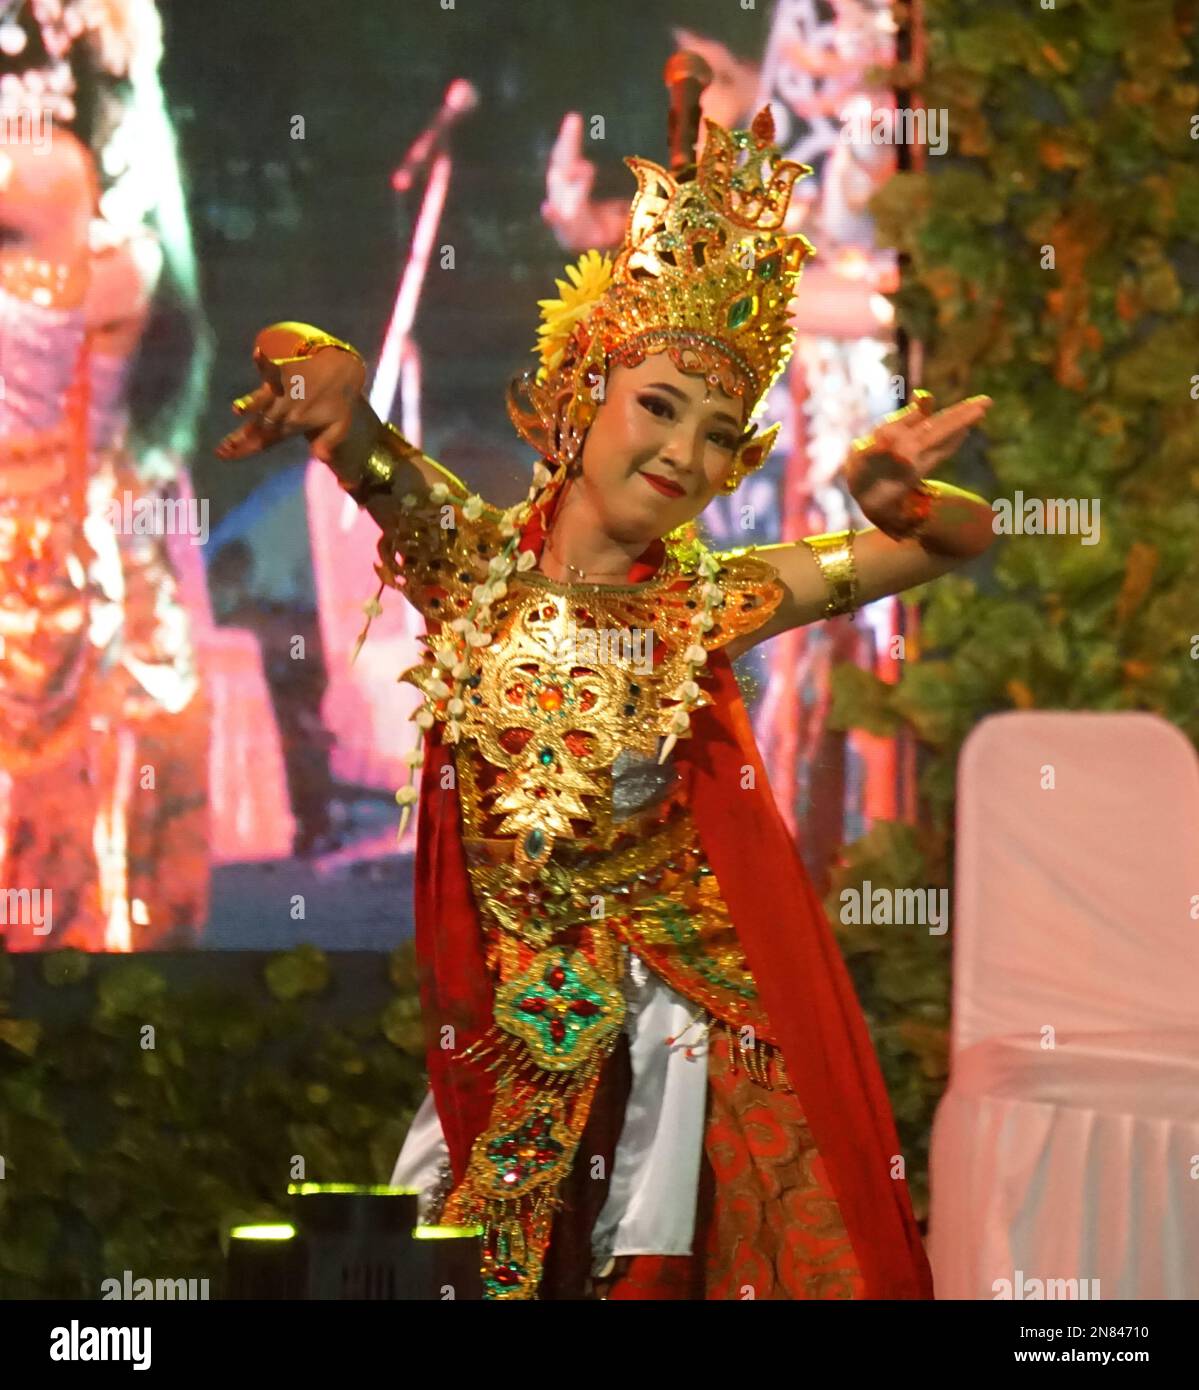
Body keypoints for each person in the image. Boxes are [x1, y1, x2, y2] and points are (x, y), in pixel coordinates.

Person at [217, 102, 994, 1300]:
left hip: (676, 1026)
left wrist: (901, 500)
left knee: (650, 1247)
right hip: (518, 1011)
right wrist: (320, 372)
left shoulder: (710, 603)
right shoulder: (465, 561)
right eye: (660, 404)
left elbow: (953, 542)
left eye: (719, 431)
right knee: (436, 1254)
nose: (686, 450)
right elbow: (336, 409)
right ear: (584, 386)